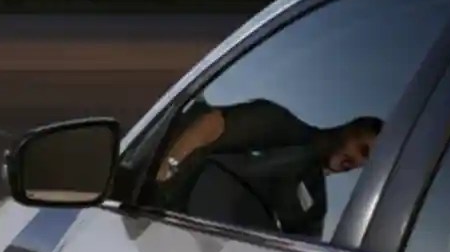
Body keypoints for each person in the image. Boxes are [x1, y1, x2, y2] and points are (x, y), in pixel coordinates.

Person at [150, 98, 382, 236]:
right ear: (349, 128)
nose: (357, 163)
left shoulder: (316, 203)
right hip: (165, 224)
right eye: (363, 150)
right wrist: (163, 181)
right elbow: (208, 128)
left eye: (366, 163)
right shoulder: (279, 125)